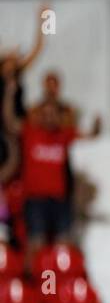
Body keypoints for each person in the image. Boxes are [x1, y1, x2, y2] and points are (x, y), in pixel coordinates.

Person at [2, 61, 101, 272]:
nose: (49, 117)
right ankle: (29, 285)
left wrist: (96, 127)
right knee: (35, 242)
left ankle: (61, 285)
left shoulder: (63, 134)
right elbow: (10, 121)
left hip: (59, 199)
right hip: (35, 199)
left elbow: (89, 135)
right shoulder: (30, 131)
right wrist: (9, 94)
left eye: (53, 114)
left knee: (63, 243)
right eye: (45, 114)